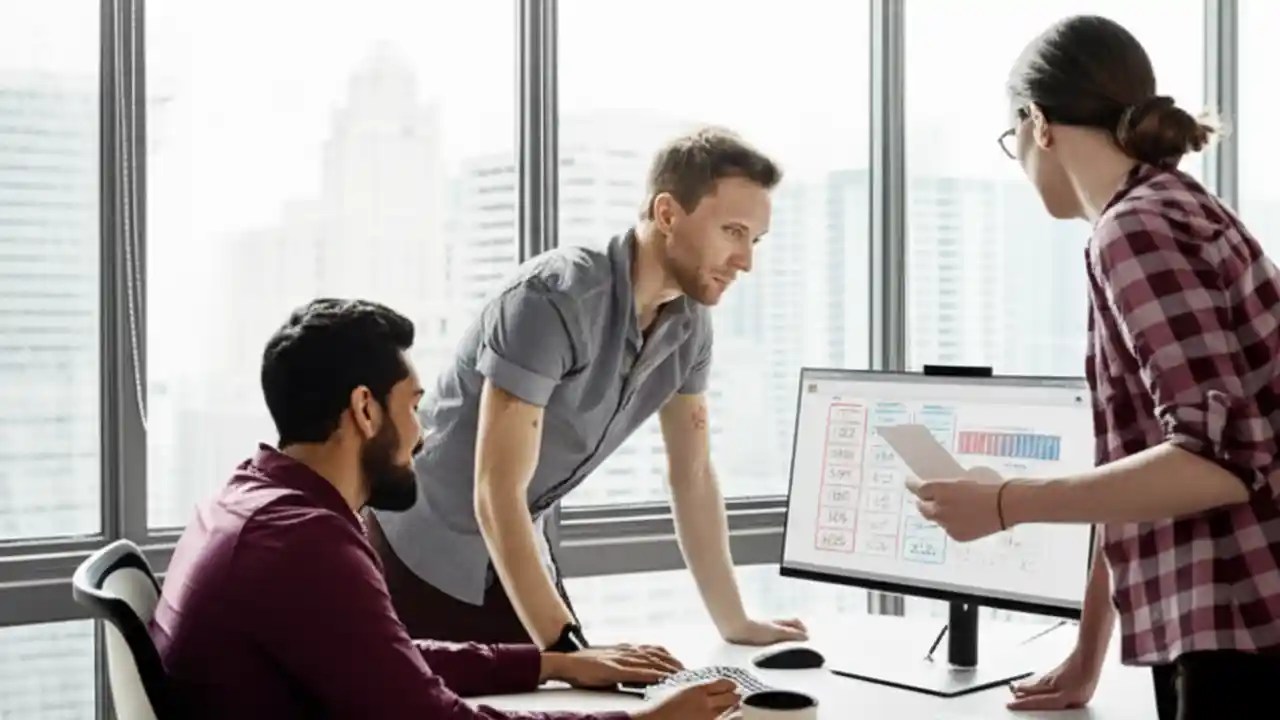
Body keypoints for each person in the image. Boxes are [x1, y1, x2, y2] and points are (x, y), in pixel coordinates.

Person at [903, 14, 1280, 720]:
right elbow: (1151, 467)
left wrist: (1006, 504)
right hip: (1231, 617)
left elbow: (1219, 461)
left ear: (1036, 124)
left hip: (1247, 626)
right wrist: (1087, 653)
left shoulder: (1134, 228)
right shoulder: (1171, 208)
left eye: (1011, 138)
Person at [150, 298, 740, 720]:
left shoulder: (254, 500)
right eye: (414, 406)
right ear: (365, 410)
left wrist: (550, 665)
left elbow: (383, 660)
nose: (423, 435)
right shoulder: (308, 544)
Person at [365, 126, 808, 654]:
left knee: (579, 698)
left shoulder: (689, 325)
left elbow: (691, 474)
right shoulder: (553, 300)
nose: (745, 261)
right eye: (732, 231)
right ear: (667, 214)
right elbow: (495, 491)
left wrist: (736, 622)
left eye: (753, 240)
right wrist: (569, 655)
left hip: (518, 542)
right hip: (426, 548)